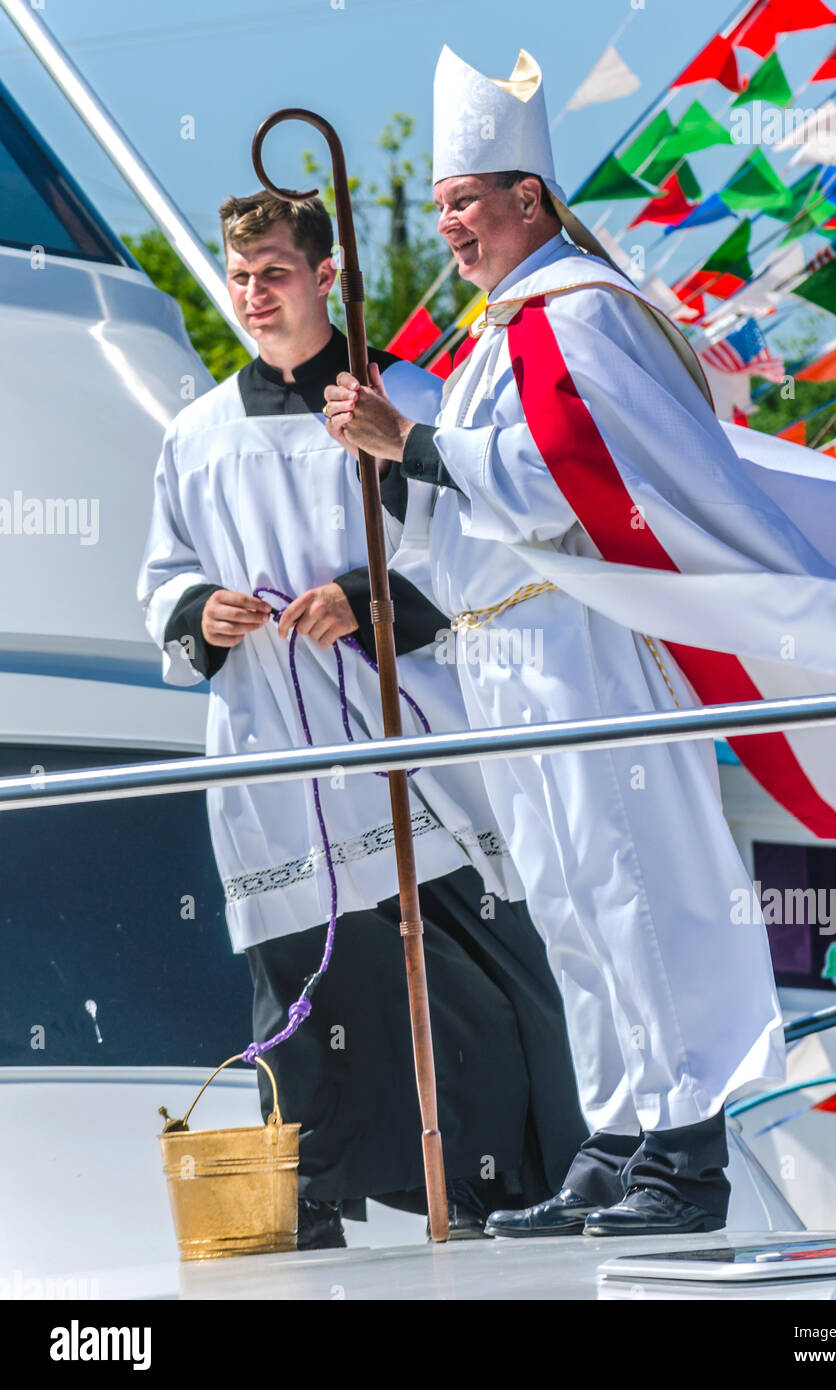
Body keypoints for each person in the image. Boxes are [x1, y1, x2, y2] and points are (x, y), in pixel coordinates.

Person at [326, 46, 836, 1237]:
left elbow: (579, 477)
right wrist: (388, 452)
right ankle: (617, 1133)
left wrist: (410, 445)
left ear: (530, 198)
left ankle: (686, 1150)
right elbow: (469, 513)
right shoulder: (497, 334)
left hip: (590, 648)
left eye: (464, 203)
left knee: (635, 882)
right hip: (511, 657)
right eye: (440, 210)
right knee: (569, 899)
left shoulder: (580, 315)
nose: (452, 228)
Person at [137, 189, 586, 1248]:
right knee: (305, 1016)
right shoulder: (193, 437)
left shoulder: (411, 403)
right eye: (241, 276)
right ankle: (305, 1222)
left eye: (276, 271)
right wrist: (205, 610)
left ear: (326, 276)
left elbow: (493, 556)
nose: (254, 293)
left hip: (411, 753)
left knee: (483, 998)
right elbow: (161, 582)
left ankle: (517, 1202)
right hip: (274, 772)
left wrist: (372, 595)